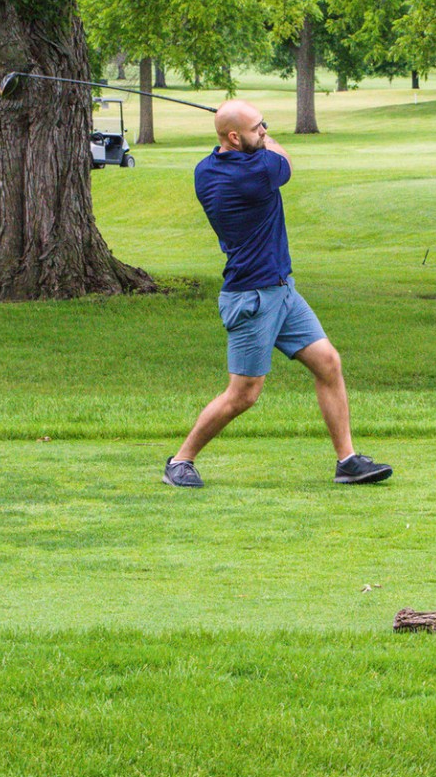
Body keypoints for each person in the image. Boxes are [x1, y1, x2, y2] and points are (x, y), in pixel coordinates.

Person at [163, 99, 392, 489]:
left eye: (264, 124)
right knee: (244, 395)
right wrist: (264, 136)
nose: (265, 131)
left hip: (282, 290)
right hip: (252, 299)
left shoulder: (206, 169)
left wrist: (245, 124)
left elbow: (246, 146)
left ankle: (348, 460)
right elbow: (283, 158)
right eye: (257, 128)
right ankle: (180, 461)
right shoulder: (254, 175)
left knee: (328, 363)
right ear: (234, 137)